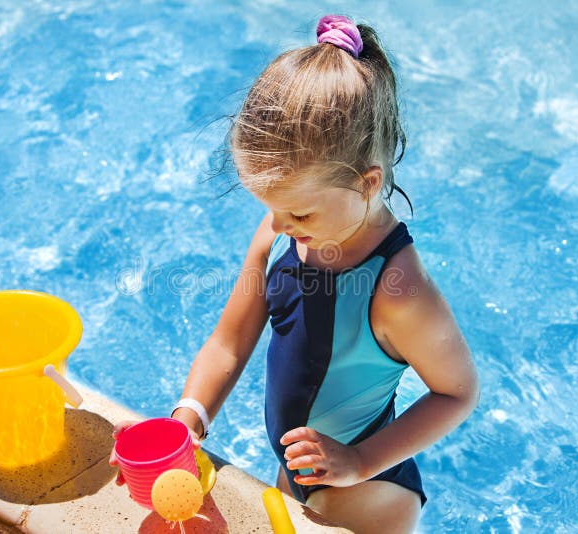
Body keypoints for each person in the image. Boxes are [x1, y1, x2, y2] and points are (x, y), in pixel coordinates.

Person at [111, 14, 479, 533]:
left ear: (367, 183)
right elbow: (229, 342)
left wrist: (360, 463)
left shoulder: (397, 290)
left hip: (371, 496)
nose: (279, 226)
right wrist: (187, 422)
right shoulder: (284, 231)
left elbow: (458, 392)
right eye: (271, 208)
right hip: (299, 472)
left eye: (299, 214)